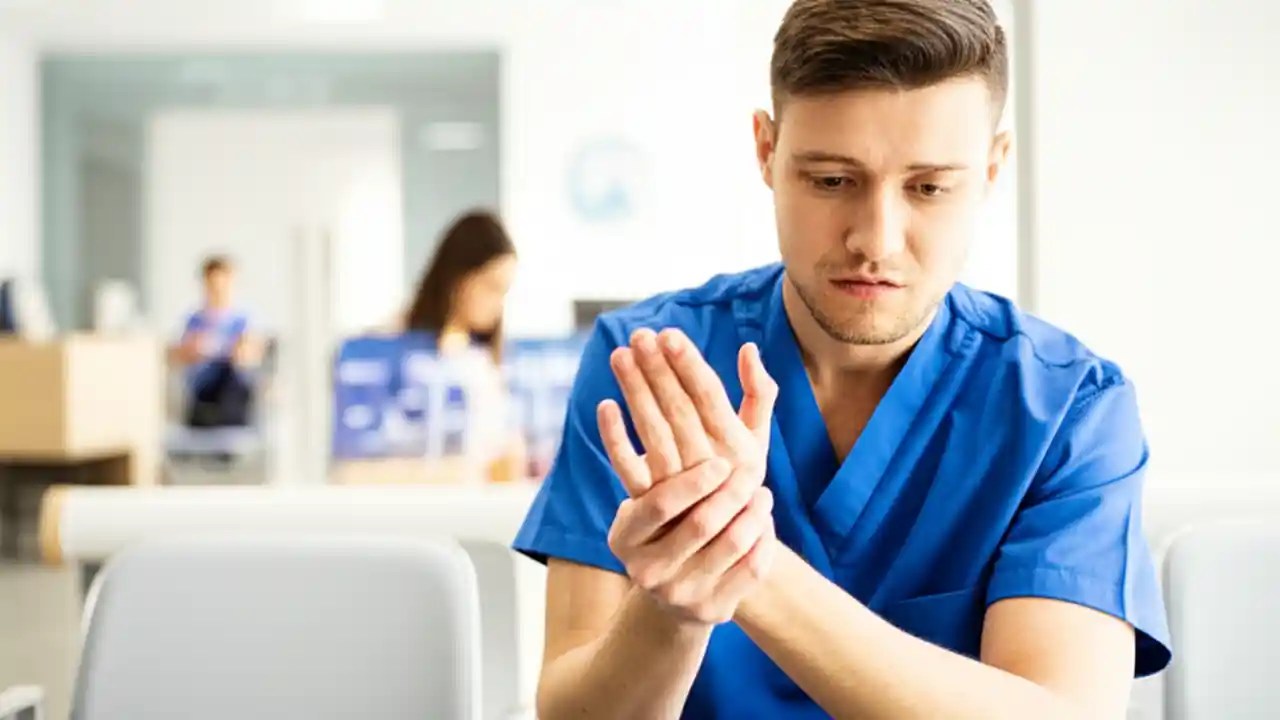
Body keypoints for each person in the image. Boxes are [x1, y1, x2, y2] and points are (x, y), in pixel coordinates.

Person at [513, 1, 1171, 718]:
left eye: (929, 187)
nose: (875, 240)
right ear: (766, 151)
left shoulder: (1067, 410)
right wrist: (672, 611)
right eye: (832, 180)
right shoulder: (650, 364)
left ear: (991, 168)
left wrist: (741, 556)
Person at [403, 210, 524, 481]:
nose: (497, 305)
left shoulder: (485, 363)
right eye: (491, 287)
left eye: (503, 292)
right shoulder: (399, 349)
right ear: (458, 279)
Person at [171, 255, 264, 428]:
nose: (218, 290)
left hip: (233, 392)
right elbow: (181, 355)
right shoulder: (195, 320)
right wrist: (196, 349)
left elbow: (250, 356)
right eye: (213, 285)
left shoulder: (242, 320)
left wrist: (236, 351)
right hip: (203, 390)